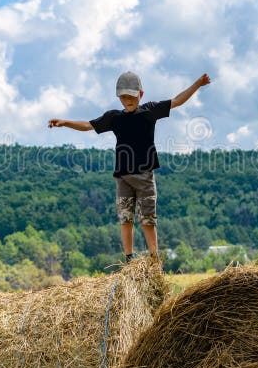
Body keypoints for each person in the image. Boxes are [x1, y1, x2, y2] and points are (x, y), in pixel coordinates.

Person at [48, 71, 211, 262]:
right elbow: (88, 125)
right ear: (119, 98)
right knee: (126, 219)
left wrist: (198, 83)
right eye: (124, 97)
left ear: (140, 94)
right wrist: (65, 122)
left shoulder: (150, 111)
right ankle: (129, 258)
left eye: (131, 96)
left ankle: (153, 259)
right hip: (123, 178)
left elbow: (176, 101)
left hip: (144, 177)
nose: (128, 101)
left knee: (148, 220)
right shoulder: (114, 117)